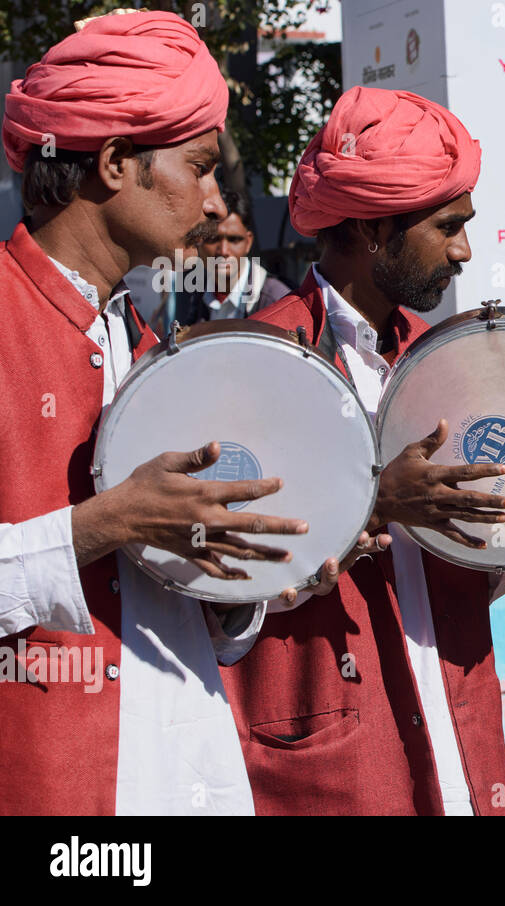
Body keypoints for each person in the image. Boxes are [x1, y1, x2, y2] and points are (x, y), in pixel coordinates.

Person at [221, 86, 505, 815]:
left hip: (458, 733)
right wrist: (366, 503)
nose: (464, 250)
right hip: (331, 763)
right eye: (449, 226)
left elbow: (463, 571)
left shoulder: (453, 362)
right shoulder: (259, 360)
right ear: (373, 228)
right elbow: (217, 590)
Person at [0, 10, 316, 814]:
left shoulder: (148, 347)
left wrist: (264, 576)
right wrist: (101, 524)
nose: (216, 205)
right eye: (201, 167)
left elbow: (189, 616)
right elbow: (101, 540)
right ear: (114, 163)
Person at [151, 188, 293, 331]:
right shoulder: (188, 297)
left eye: (234, 240)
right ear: (199, 241)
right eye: (213, 239)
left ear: (248, 242)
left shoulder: (276, 301)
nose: (224, 251)